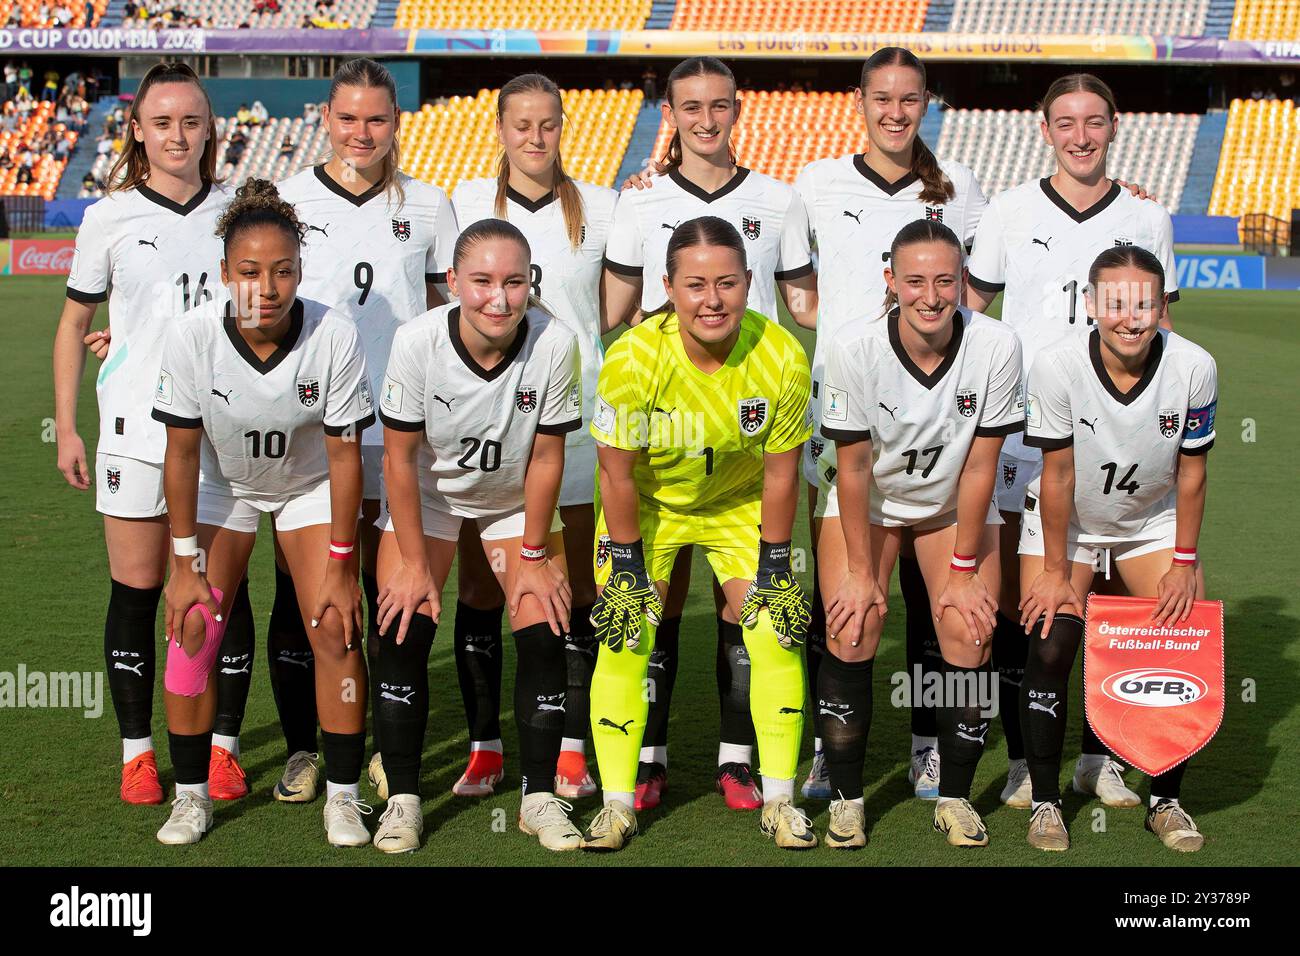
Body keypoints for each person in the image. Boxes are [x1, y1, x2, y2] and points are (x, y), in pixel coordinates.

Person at [605, 56, 818, 813]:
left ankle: (736, 760)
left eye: (718, 105)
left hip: (748, 436)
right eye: (690, 106)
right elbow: (610, 307)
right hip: (664, 425)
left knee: (746, 610)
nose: (705, 119)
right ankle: (649, 756)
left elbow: (807, 305)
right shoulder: (635, 200)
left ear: (737, 110)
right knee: (650, 604)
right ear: (672, 112)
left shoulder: (779, 199)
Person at [965, 72, 1178, 812]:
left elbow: (1165, 328)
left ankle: (1101, 757)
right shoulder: (1009, 210)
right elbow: (971, 308)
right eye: (1066, 122)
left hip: (1120, 438)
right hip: (1026, 436)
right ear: (1044, 129)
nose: (1081, 135)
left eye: (1094, 121)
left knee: (1115, 602)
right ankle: (1028, 761)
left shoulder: (1148, 219)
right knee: (1033, 610)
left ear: (1114, 127)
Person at [52, 63, 257, 808]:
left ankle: (225, 749)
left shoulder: (242, 210)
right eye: (162, 121)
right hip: (135, 434)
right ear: (136, 129)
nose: (177, 134)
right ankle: (138, 753)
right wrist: (69, 427)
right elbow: (75, 322)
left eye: (191, 121)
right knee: (137, 594)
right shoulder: (108, 217)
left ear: (211, 129)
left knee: (221, 596)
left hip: (226, 436)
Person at [150, 179, 375, 846]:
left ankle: (342, 793)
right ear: (225, 273)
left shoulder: (334, 333)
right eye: (250, 272)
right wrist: (183, 564)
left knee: (333, 626)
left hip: (307, 486)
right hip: (226, 485)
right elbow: (183, 458)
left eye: (283, 271)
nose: (267, 287)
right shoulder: (192, 336)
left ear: (301, 271)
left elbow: (343, 460)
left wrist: (341, 564)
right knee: (193, 625)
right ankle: (192, 797)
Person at [581, 216, 815, 852]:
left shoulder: (781, 356)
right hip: (651, 505)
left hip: (737, 505)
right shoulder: (631, 358)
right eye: (695, 285)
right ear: (668, 287)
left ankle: (781, 800)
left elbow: (780, 471)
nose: (713, 300)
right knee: (626, 634)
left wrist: (773, 563)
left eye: (728, 283)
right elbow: (616, 471)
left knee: (772, 630)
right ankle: (616, 804)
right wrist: (627, 564)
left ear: (749, 283)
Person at [796, 46, 989, 802]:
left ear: (926, 103)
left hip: (936, 416)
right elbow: (798, 291)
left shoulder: (962, 187)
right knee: (844, 591)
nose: (896, 112)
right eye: (882, 98)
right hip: (847, 409)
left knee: (924, 592)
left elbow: (973, 298)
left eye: (910, 99)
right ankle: (827, 746)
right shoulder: (817, 183)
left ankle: (925, 746)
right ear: (862, 101)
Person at [276, 57, 458, 804]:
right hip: (312, 432)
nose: (362, 132)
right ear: (325, 117)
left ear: (396, 122)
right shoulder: (283, 199)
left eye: (377, 118)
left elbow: (454, 313)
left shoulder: (430, 204)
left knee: (395, 601)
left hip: (402, 432)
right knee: (307, 597)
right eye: (348, 117)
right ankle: (302, 749)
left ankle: (388, 748)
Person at [372, 219, 583, 853]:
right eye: (483, 281)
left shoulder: (554, 343)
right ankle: (404, 799)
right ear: (455, 283)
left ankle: (539, 797)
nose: (499, 298)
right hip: (431, 499)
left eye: (515, 282)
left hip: (513, 501)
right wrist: (411, 560)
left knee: (546, 629)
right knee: (401, 627)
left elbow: (547, 459)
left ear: (530, 284)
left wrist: (536, 553)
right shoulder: (416, 342)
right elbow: (398, 460)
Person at [814, 220, 1023, 848]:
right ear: (890, 282)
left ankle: (954, 796)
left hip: (950, 506)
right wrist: (858, 569)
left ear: (962, 280)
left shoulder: (997, 344)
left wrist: (962, 569)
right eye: (914, 281)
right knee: (852, 625)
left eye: (944, 280)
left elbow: (983, 463)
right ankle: (847, 799)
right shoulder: (853, 348)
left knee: (969, 631)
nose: (930, 295)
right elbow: (850, 467)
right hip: (870, 504)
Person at [449, 73, 617, 801]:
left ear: (562, 127)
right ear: (500, 128)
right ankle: (485, 747)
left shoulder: (604, 208)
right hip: (481, 431)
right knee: (482, 593)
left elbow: (615, 313)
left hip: (574, 428)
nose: (534, 137)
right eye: (520, 124)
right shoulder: (461, 204)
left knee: (573, 594)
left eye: (547, 124)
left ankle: (573, 748)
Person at [1017, 245, 1215, 853]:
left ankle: (1165, 801)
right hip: (1069, 524)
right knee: (1051, 640)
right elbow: (1055, 475)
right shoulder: (1056, 365)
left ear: (1162, 306)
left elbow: (1191, 474)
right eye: (1115, 304)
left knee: (1177, 642)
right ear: (1091, 305)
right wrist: (1054, 570)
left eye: (1144, 304)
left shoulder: (1195, 366)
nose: (1130, 318)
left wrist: (1183, 563)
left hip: (1149, 522)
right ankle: (1046, 803)